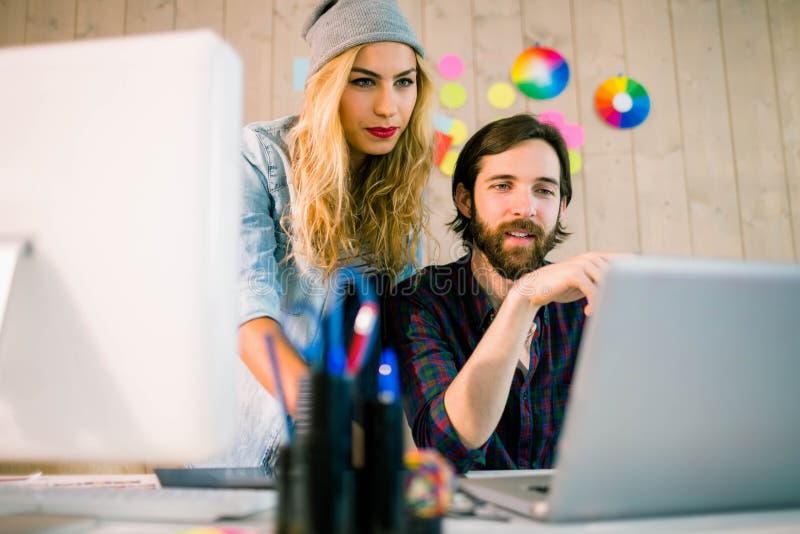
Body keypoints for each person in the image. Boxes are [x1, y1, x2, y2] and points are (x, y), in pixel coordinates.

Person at [226, 0, 433, 469]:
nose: (388, 106)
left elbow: (390, 343)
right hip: (255, 449)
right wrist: (346, 439)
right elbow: (247, 321)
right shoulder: (258, 158)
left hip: (350, 455)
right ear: (326, 88)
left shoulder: (399, 184)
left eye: (404, 82)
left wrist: (407, 467)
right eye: (363, 81)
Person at [383, 114, 612, 473]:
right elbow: (446, 447)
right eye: (503, 186)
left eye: (544, 190)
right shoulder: (419, 302)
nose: (525, 208)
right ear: (465, 200)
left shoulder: (594, 302)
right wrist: (523, 299)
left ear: (561, 207)